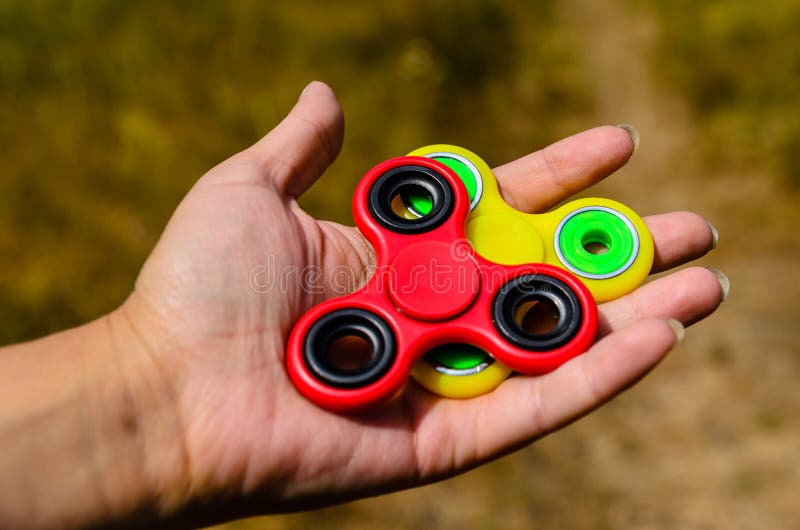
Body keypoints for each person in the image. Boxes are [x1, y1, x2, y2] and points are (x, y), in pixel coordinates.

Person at [0, 81, 727, 530]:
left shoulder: (453, 254)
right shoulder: (406, 273)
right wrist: (162, 385)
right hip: (428, 306)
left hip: (465, 305)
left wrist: (157, 388)